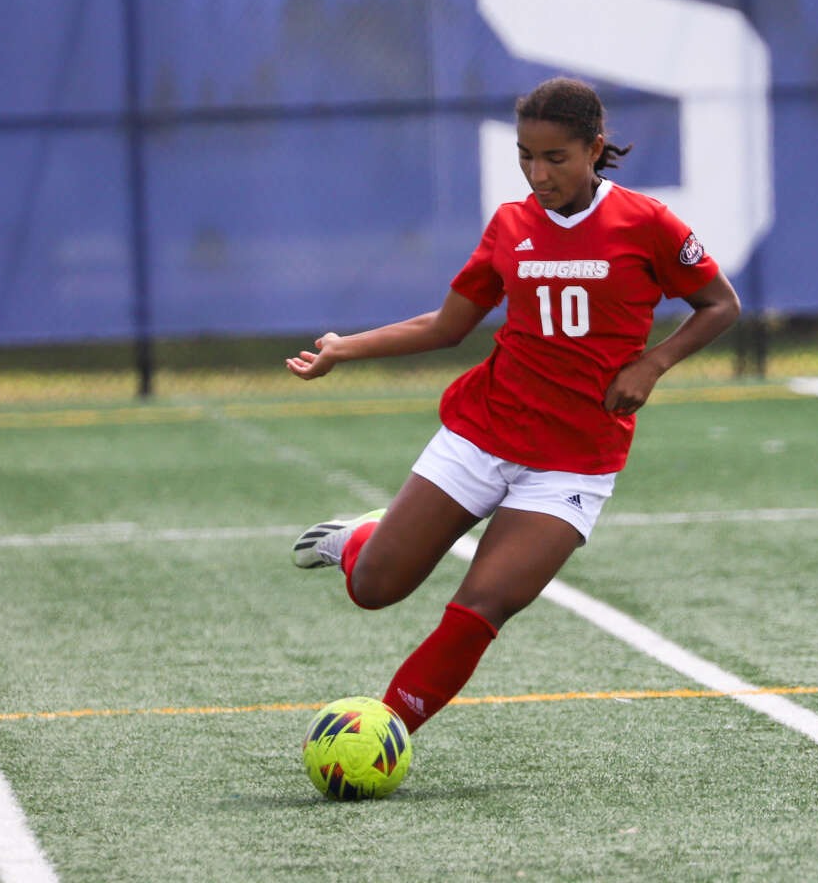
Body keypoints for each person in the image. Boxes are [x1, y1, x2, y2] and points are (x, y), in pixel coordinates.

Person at [284, 76, 741, 734]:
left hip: (574, 464)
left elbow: (721, 304)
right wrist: (343, 349)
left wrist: (653, 361)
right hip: (482, 434)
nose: (538, 172)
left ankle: (383, 733)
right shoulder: (510, 225)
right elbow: (446, 327)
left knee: (485, 602)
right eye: (527, 155)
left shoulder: (647, 224)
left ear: (594, 148)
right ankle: (361, 539)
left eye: (555, 157)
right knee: (374, 589)